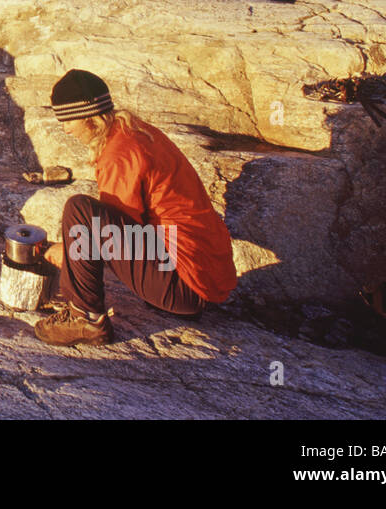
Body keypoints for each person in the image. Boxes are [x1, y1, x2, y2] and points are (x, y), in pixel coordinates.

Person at [33, 69, 238, 347]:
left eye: (68, 120)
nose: (66, 129)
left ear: (88, 116)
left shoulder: (122, 151)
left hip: (186, 286)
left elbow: (112, 234)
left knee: (79, 209)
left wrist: (69, 252)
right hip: (199, 280)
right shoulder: (134, 131)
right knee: (86, 221)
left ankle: (85, 319)